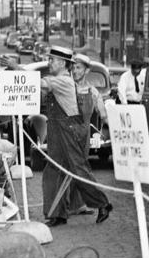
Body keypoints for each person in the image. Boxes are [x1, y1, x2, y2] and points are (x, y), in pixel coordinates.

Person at [40, 46, 113, 227]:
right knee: (53, 170)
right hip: (58, 130)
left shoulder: (63, 81)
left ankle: (103, 204)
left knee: (78, 170)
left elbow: (40, 83)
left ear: (63, 63)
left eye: (52, 60)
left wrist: (15, 71)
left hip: (69, 130)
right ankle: (57, 213)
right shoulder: (60, 80)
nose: (49, 62)